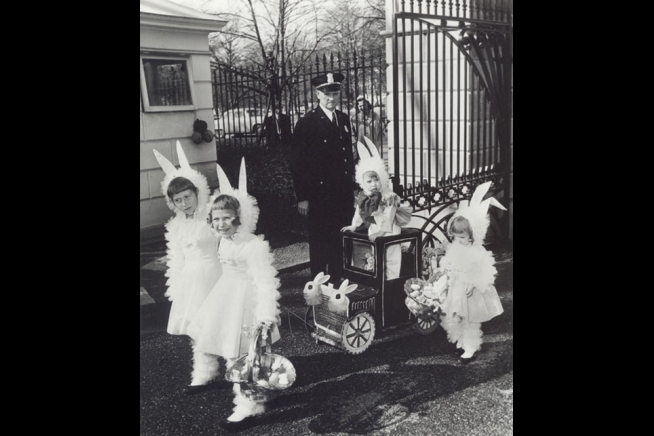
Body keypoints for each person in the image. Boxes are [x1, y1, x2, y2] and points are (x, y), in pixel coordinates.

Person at [187, 158, 282, 426]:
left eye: (227, 218)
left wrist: (265, 315)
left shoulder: (253, 245)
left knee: (241, 354)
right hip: (225, 296)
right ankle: (206, 374)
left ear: (239, 218)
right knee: (207, 336)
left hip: (245, 302)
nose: (221, 224)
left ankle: (250, 405)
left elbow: (265, 281)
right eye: (216, 219)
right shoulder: (223, 240)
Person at [152, 141, 223, 393]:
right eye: (177, 200)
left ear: (197, 192)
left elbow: (228, 242)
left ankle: (240, 364)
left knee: (223, 321)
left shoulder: (212, 215)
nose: (183, 203)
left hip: (215, 275)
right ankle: (204, 372)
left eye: (187, 197)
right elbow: (176, 258)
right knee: (196, 326)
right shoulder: (176, 225)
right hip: (190, 280)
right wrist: (177, 286)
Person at [289, 72, 357, 285]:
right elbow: (298, 163)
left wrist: (353, 188)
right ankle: (317, 292)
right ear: (317, 94)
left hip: (342, 194)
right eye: (326, 94)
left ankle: (338, 287)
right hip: (319, 195)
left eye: (335, 93)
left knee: (340, 242)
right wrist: (303, 196)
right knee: (320, 244)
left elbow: (347, 158)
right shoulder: (307, 123)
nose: (331, 98)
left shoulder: (344, 119)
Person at [438, 181, 506, 363]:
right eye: (455, 237)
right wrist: (445, 273)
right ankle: (461, 342)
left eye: (462, 237)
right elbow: (450, 263)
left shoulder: (477, 251)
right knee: (455, 316)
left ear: (471, 235)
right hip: (455, 289)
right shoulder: (455, 248)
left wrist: (473, 283)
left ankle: (471, 346)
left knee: (470, 321)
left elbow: (485, 270)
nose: (458, 240)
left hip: (470, 292)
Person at [341, 137, 411, 279]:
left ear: (382, 178)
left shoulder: (388, 195)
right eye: (369, 181)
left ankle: (391, 286)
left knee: (391, 260)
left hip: (389, 232)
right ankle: (379, 285)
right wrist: (354, 225)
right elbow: (360, 211)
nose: (374, 184)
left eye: (376, 179)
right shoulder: (365, 195)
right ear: (362, 182)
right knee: (377, 260)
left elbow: (389, 216)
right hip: (374, 230)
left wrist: (381, 232)